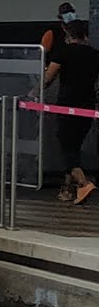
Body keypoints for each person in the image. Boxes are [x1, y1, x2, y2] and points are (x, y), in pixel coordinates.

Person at [40, 20, 99, 205]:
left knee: (66, 146)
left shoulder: (63, 52)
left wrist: (34, 90)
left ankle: (83, 183)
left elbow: (48, 78)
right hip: (88, 106)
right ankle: (66, 190)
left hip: (67, 104)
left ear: (67, 34)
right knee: (74, 146)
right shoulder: (95, 54)